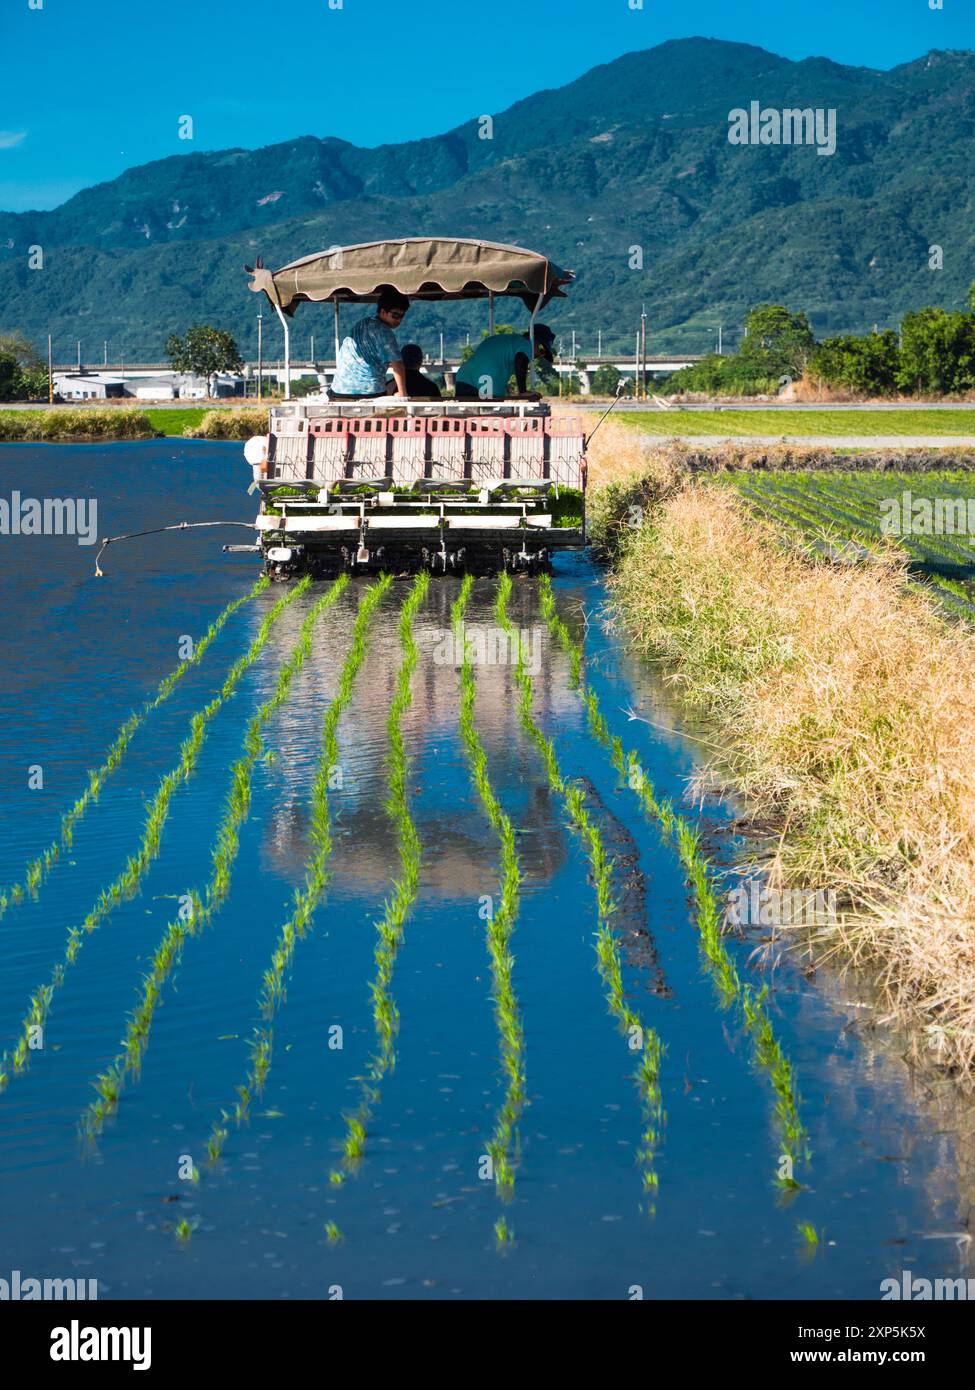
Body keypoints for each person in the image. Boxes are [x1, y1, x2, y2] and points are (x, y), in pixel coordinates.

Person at [329, 289, 410, 398]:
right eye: (395, 315)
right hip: (370, 391)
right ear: (383, 312)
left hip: (338, 390)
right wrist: (403, 393)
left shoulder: (361, 324)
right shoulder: (384, 331)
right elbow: (397, 364)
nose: (399, 320)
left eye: (402, 316)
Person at [454, 323, 555, 400]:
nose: (538, 355)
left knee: (464, 417)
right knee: (489, 416)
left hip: (464, 376)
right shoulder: (527, 344)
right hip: (485, 378)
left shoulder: (510, 340)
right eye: (542, 350)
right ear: (535, 340)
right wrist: (523, 391)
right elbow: (521, 359)